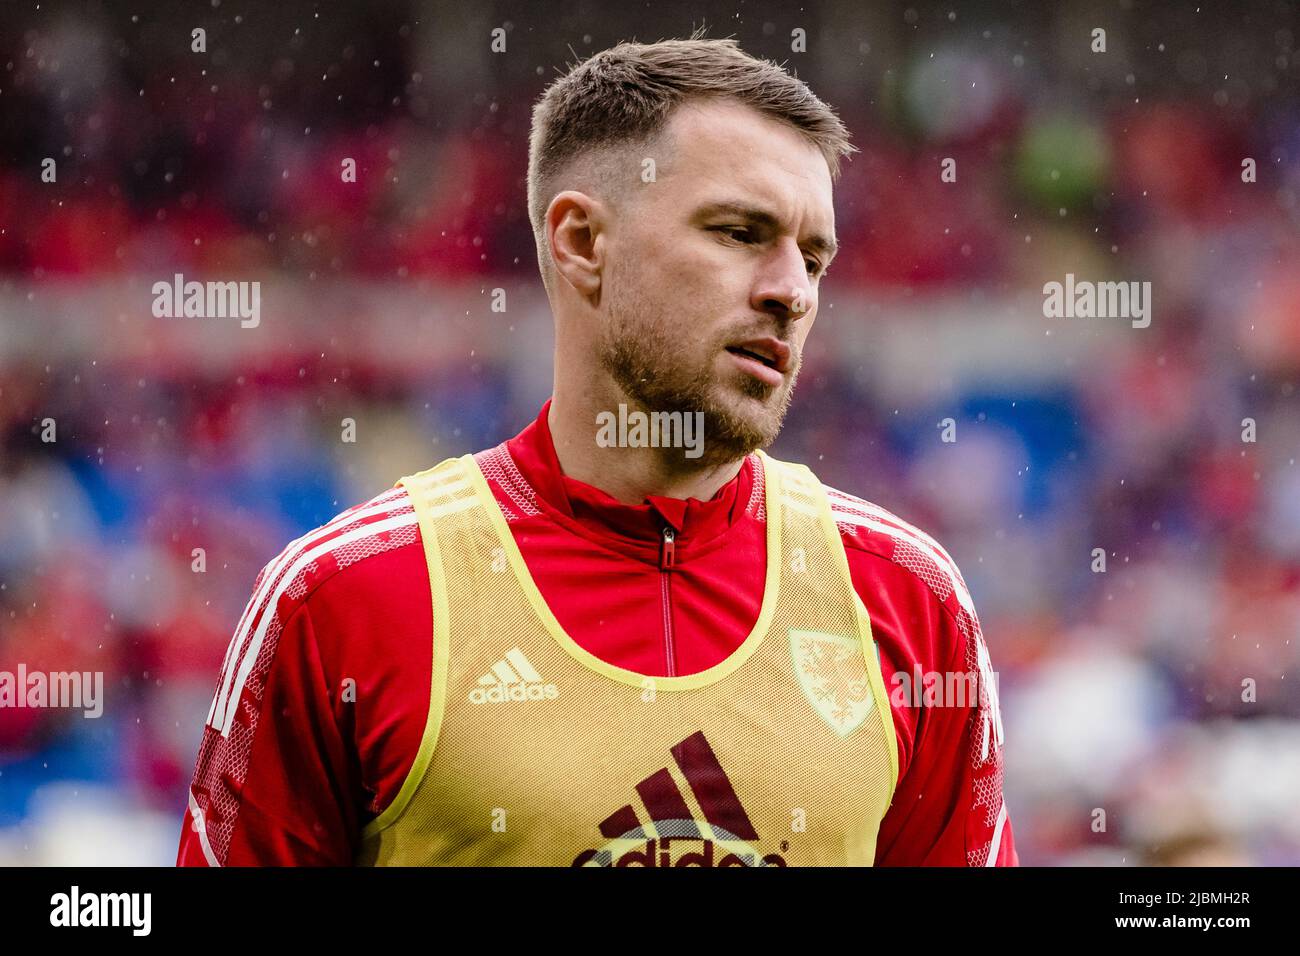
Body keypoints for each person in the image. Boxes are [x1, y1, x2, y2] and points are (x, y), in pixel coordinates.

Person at [178, 34, 1017, 867]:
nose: (791, 291)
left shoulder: (911, 602)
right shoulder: (345, 597)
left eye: (814, 257)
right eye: (738, 232)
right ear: (581, 242)